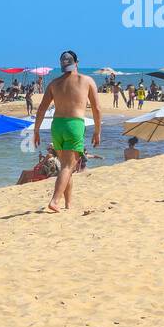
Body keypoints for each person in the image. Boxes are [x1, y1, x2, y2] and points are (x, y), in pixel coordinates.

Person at [33, 50, 101, 213]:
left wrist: (36, 131)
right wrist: (97, 131)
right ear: (76, 62)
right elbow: (97, 108)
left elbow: (41, 109)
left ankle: (68, 204)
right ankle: (55, 200)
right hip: (74, 124)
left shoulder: (54, 83)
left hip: (57, 125)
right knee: (68, 166)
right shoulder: (87, 80)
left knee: (66, 165)